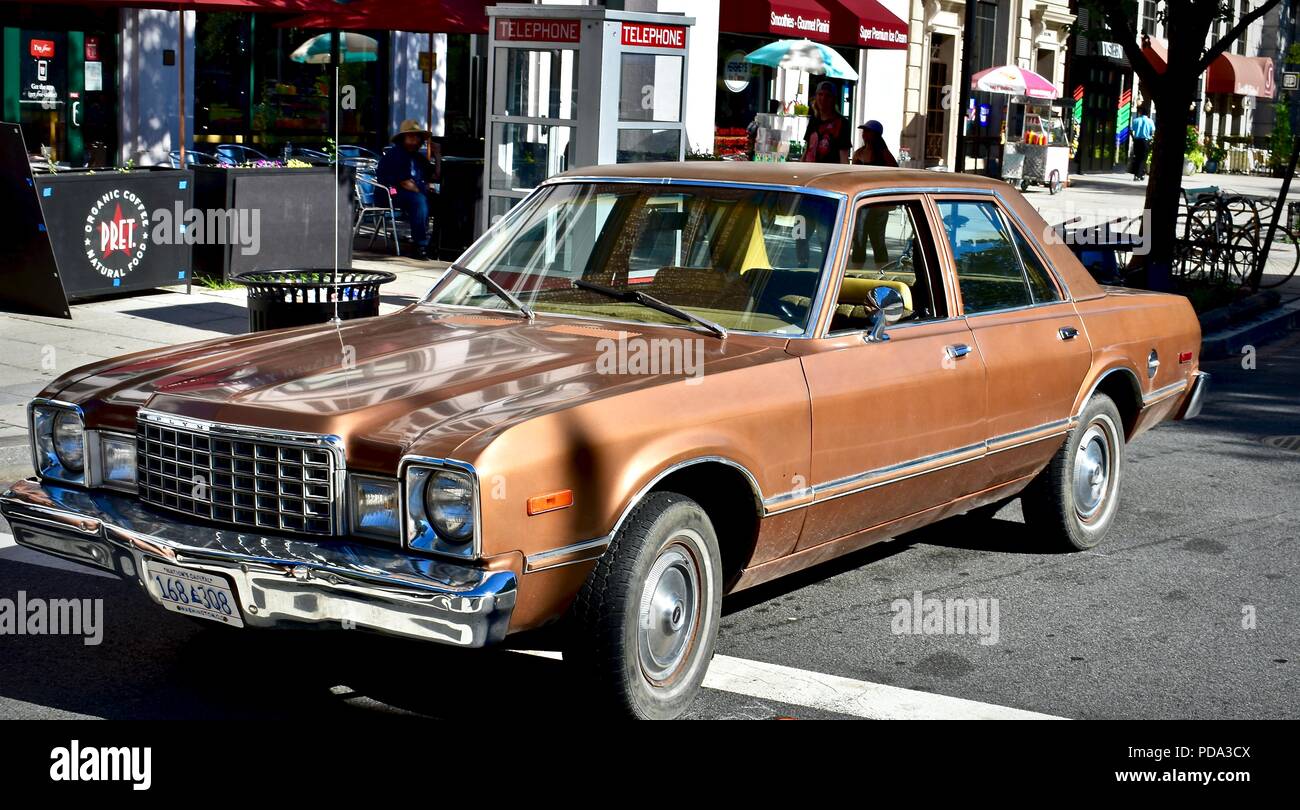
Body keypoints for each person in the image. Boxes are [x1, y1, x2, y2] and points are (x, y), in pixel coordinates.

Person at [377, 119, 442, 260]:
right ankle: (420, 246)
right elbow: (405, 182)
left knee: (441, 201)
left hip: (412, 192)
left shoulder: (418, 157)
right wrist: (423, 192)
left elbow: (436, 176)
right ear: (403, 138)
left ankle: (437, 243)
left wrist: (437, 155)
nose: (414, 141)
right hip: (390, 193)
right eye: (410, 137)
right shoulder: (396, 155)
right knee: (419, 201)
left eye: (417, 137)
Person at [802, 82, 851, 164]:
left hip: (829, 172)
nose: (823, 99)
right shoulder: (814, 120)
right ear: (816, 97)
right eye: (820, 94)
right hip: (809, 170)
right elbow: (807, 148)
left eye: (828, 96)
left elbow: (843, 155)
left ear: (834, 99)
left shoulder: (842, 123)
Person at [1131, 108, 1154, 181]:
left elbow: (1131, 130)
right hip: (1145, 141)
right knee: (1143, 158)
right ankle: (1139, 175)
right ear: (1147, 114)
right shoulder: (1150, 121)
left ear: (1140, 113)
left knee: (1137, 157)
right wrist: (1151, 139)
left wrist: (1133, 138)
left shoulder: (1136, 120)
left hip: (1137, 141)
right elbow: (1153, 131)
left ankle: (1139, 174)